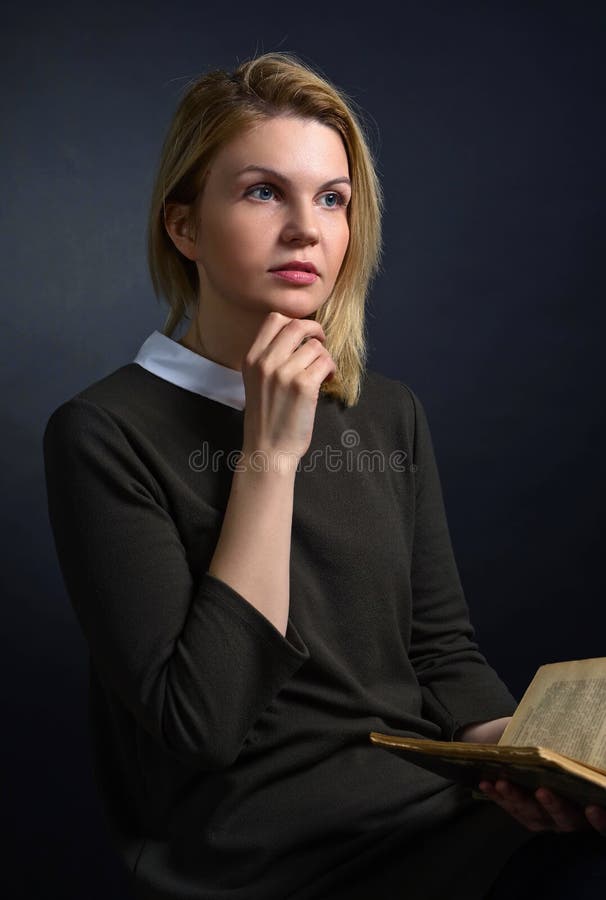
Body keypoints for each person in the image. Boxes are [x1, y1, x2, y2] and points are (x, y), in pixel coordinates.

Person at [42, 51, 606, 900]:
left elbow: (441, 655)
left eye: (333, 198)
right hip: (259, 850)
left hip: (429, 808)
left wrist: (525, 768)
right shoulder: (103, 432)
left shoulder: (388, 412)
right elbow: (204, 721)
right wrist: (269, 455)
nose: (307, 228)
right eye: (263, 191)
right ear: (185, 226)